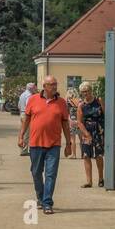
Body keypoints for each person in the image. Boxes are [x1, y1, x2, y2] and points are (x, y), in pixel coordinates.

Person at [19, 75, 73, 214]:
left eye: (56, 84)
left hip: (54, 145)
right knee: (36, 173)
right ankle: (40, 197)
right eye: (52, 84)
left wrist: (68, 143)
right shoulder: (33, 100)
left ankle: (47, 202)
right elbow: (26, 120)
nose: (55, 86)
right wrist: (21, 136)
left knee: (51, 174)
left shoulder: (61, 102)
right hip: (36, 143)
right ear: (45, 86)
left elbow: (65, 124)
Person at [77, 81, 105, 188]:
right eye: (83, 92)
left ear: (91, 91)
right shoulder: (81, 105)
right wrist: (86, 133)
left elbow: (106, 114)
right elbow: (79, 122)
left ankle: (101, 179)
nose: (85, 93)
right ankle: (89, 181)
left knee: (99, 155)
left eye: (87, 91)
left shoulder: (99, 101)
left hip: (99, 130)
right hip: (86, 131)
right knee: (86, 156)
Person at [17, 81, 36, 155]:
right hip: (26, 114)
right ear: (31, 88)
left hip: (22, 113)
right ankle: (24, 150)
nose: (35, 89)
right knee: (26, 133)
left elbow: (19, 105)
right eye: (34, 87)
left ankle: (22, 148)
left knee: (22, 131)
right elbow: (29, 106)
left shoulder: (22, 94)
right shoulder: (29, 95)